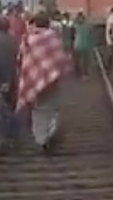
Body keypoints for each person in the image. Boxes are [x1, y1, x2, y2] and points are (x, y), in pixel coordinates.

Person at [16, 12, 71, 153]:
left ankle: (41, 139)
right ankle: (51, 132)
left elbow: (21, 58)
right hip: (52, 79)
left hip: (35, 80)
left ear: (36, 24)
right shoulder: (53, 37)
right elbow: (60, 56)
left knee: (38, 110)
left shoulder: (28, 39)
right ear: (48, 24)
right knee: (53, 108)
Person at [0, 16, 20, 153]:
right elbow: (18, 60)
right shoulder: (15, 41)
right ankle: (13, 137)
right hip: (13, 78)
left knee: (0, 110)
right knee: (13, 107)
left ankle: (1, 138)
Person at [71, 12, 94, 77]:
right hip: (77, 45)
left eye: (81, 18)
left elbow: (90, 35)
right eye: (79, 18)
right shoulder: (74, 26)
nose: (80, 19)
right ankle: (79, 72)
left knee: (85, 61)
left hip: (85, 45)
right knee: (77, 61)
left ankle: (84, 73)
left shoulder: (87, 26)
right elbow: (72, 36)